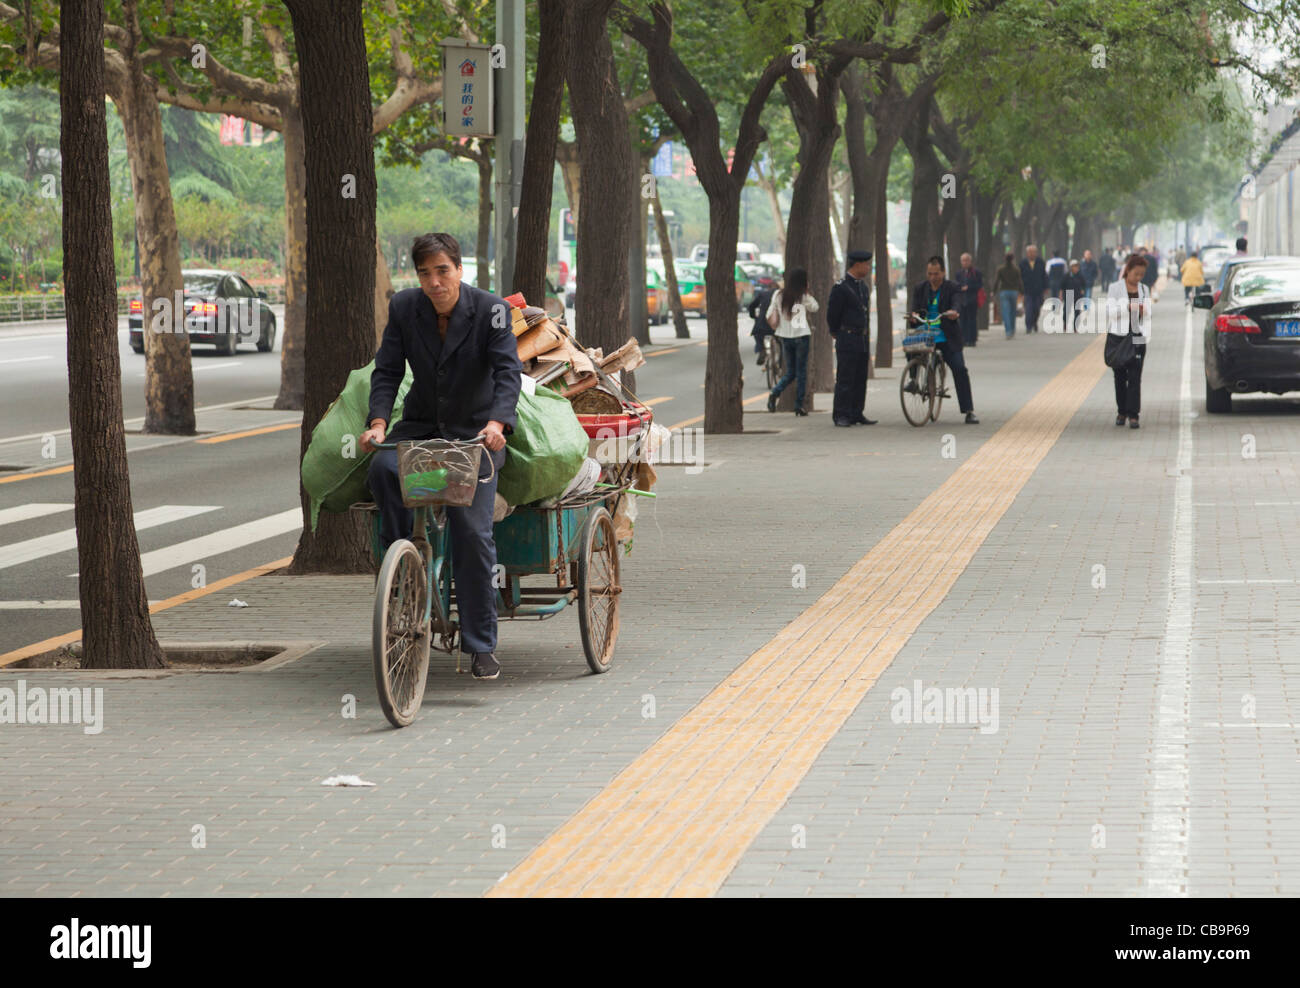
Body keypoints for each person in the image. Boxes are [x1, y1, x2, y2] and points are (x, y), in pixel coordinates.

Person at [361, 232, 522, 682]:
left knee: (472, 531)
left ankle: (481, 644)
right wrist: (377, 423)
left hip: (475, 439)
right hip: (420, 432)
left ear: (459, 270)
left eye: (442, 271)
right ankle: (403, 567)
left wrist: (497, 423)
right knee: (383, 468)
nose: (434, 282)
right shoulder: (405, 308)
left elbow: (508, 372)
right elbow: (388, 370)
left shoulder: (490, 309)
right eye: (425, 273)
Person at [908, 255, 979, 425]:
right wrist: (913, 316)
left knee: (959, 368)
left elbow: (957, 303)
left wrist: (954, 312)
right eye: (930, 274)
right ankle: (913, 380)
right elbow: (914, 308)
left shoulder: (953, 288)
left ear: (943, 272)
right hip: (926, 332)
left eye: (936, 274)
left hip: (947, 335)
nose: (933, 277)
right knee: (910, 346)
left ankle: (968, 410)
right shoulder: (920, 288)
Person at [826, 249, 877, 426]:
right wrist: (835, 331)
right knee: (845, 378)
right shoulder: (841, 287)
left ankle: (856, 412)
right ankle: (841, 414)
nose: (868, 267)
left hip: (861, 339)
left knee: (860, 378)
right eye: (866, 264)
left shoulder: (862, 287)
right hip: (847, 337)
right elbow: (832, 313)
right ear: (857, 264)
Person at [1105, 253, 1151, 429]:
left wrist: (1143, 311)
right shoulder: (1115, 288)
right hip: (1118, 336)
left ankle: (1133, 414)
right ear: (1128, 271)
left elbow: (1149, 313)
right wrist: (1128, 307)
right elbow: (1110, 312)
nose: (1138, 278)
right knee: (1119, 376)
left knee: (1135, 376)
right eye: (1136, 274)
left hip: (1138, 335)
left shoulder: (1144, 289)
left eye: (1142, 274)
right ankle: (1121, 411)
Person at [765, 268, 818, 417]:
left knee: (790, 372)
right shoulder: (802, 296)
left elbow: (769, 314)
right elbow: (815, 307)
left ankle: (775, 393)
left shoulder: (778, 295)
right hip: (801, 335)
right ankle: (799, 405)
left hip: (785, 337)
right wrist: (807, 292)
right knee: (801, 372)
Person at [953, 251, 983, 347]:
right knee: (962, 320)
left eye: (966, 260)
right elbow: (956, 285)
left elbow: (979, 285)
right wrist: (960, 288)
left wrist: (969, 287)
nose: (965, 262)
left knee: (972, 320)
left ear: (970, 261)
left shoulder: (976, 272)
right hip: (962, 300)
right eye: (963, 261)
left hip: (972, 299)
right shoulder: (959, 273)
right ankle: (963, 339)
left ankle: (972, 339)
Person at [992, 251, 1022, 339]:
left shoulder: (1000, 269)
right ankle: (1012, 329)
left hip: (1004, 292)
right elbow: (1019, 281)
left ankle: (1008, 331)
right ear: (1013, 259)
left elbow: (997, 281)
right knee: (1013, 312)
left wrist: (993, 291)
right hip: (1014, 292)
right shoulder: (1016, 269)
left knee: (1006, 312)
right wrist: (1022, 291)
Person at [1019, 244, 1047, 332]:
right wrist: (1020, 290)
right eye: (1030, 252)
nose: (1032, 254)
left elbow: (1044, 275)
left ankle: (1034, 322)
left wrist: (1046, 287)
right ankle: (1028, 326)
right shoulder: (1023, 263)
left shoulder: (1040, 262)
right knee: (1029, 308)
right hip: (1027, 290)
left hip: (1038, 289)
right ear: (1027, 253)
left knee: (1036, 308)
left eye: (1034, 252)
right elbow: (1019, 277)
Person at [748, 284, 775, 365]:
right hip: (776, 325)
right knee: (782, 342)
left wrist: (753, 317)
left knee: (757, 333)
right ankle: (780, 363)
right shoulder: (781, 295)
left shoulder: (763, 294)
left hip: (762, 324)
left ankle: (761, 350)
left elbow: (751, 306)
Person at [1062, 260, 1087, 331]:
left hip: (1077, 295)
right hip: (1068, 294)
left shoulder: (1080, 275)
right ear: (1071, 267)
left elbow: (1084, 285)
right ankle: (1065, 323)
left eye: (1077, 266)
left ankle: (1075, 327)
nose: (1076, 268)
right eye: (1074, 266)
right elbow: (1062, 286)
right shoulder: (1066, 275)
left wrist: (1083, 291)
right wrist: (1061, 295)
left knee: (1077, 312)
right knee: (1066, 311)